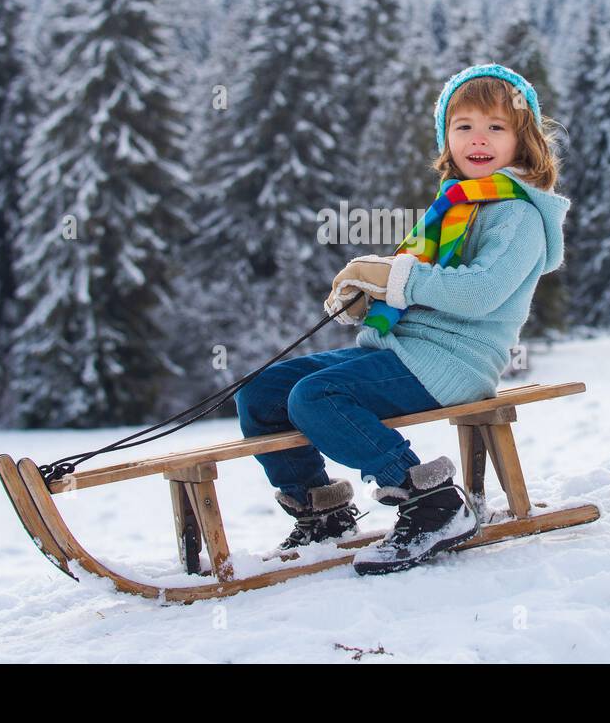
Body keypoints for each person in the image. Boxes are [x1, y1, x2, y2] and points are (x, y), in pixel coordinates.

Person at [233, 62, 571, 575]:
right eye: (464, 127)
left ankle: (431, 502)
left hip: (455, 360)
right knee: (261, 392)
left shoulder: (518, 214)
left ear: (523, 139)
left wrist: (395, 278)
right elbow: (419, 281)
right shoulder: (458, 205)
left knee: (316, 396)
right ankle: (321, 511)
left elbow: (479, 293)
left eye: (496, 127)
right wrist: (370, 296)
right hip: (400, 351)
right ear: (447, 137)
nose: (478, 139)